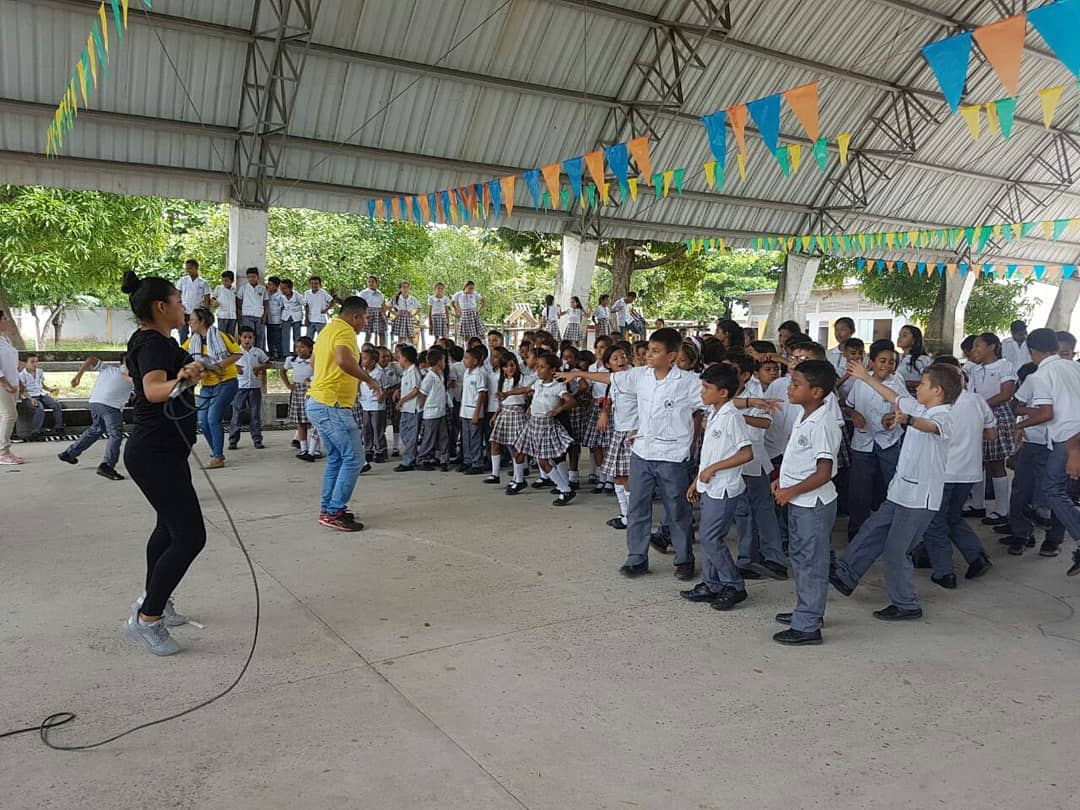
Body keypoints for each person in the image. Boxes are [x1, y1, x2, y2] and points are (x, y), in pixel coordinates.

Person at [560, 329, 715, 578]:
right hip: (642, 452)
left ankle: (684, 559)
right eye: (648, 351)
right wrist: (578, 373)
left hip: (672, 456)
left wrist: (747, 405)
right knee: (637, 506)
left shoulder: (688, 383)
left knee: (677, 510)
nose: (648, 356)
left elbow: (714, 402)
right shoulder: (640, 375)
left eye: (655, 351)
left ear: (672, 356)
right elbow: (611, 378)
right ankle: (636, 557)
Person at [831, 360, 961, 623]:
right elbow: (895, 396)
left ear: (937, 391)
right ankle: (846, 574)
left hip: (919, 498)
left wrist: (909, 419)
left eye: (923, 384)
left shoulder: (944, 415)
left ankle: (906, 603)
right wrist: (865, 378)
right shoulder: (921, 406)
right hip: (900, 491)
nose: (918, 388)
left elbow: (929, 427)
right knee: (872, 529)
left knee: (895, 549)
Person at [119, 270, 206, 656]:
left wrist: (192, 372)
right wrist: (180, 380)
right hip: (154, 452)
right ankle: (147, 618)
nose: (183, 306)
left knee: (169, 529)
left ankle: (156, 599)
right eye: (177, 300)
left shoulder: (155, 341)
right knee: (190, 536)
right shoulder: (153, 343)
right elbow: (153, 390)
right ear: (161, 307)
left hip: (163, 451)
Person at [769, 360, 841, 646]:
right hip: (801, 499)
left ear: (816, 391)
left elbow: (823, 472)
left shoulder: (822, 422)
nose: (790, 387)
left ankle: (808, 624)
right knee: (800, 558)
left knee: (811, 561)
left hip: (813, 503)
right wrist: (782, 482)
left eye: (797, 384)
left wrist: (790, 491)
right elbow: (800, 459)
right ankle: (807, 610)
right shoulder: (806, 414)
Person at [911, 356, 995, 586]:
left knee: (934, 523)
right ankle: (976, 556)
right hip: (969, 472)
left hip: (943, 472)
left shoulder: (934, 406)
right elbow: (991, 434)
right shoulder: (977, 400)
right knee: (952, 518)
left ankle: (944, 572)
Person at [680, 363, 755, 612]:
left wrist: (714, 469)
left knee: (711, 538)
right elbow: (709, 456)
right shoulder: (715, 413)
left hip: (724, 487)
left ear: (723, 392)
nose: (702, 391)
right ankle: (711, 584)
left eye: (706, 387)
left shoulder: (732, 416)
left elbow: (746, 454)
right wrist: (697, 481)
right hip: (710, 486)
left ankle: (733, 584)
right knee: (711, 536)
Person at [305, 296, 381, 531]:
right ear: (355, 316)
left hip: (320, 401)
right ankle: (335, 511)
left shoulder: (327, 331)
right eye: (366, 317)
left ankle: (329, 508)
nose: (366, 323)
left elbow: (314, 362)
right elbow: (342, 360)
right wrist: (369, 380)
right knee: (355, 458)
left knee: (338, 457)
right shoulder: (346, 331)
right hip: (332, 404)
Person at [1018, 328, 1080, 576]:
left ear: (1032, 351)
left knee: (1052, 490)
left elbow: (1046, 414)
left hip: (1068, 439)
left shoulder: (1040, 375)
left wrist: (1019, 425)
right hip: (1074, 436)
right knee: (1058, 491)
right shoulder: (1073, 367)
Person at [730, 355, 787, 580]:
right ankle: (747, 559)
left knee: (763, 511)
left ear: (744, 376)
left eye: (733, 371)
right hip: (730, 463)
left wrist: (741, 418)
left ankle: (774, 559)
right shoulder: (719, 395)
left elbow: (766, 422)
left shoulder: (754, 396)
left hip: (754, 461)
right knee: (743, 512)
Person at [844, 339, 907, 539]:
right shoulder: (860, 382)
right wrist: (854, 414)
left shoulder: (897, 383)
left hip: (888, 441)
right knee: (859, 487)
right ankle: (857, 527)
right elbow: (848, 405)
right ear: (871, 362)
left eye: (891, 362)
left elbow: (905, 408)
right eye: (882, 360)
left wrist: (893, 417)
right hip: (863, 441)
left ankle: (890, 527)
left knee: (891, 484)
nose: (887, 365)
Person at [1001, 361, 1063, 557]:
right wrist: (1030, 417)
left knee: (1054, 492)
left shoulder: (1062, 384)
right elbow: (1016, 408)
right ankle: (1021, 534)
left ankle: (1052, 540)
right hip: (1032, 442)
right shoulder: (1031, 383)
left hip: (1057, 444)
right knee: (1021, 489)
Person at [181, 307, 241, 469]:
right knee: (202, 421)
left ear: (202, 321)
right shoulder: (193, 340)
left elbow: (237, 353)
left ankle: (218, 456)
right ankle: (216, 451)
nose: (189, 322)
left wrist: (218, 365)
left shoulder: (220, 336)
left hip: (226, 381)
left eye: (192, 320)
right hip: (207, 385)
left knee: (213, 417)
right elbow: (180, 353)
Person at [58, 354, 134, 479]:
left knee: (97, 429)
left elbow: (91, 359)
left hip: (95, 402)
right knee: (115, 435)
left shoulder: (107, 368)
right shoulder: (131, 375)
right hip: (111, 406)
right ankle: (107, 466)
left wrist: (78, 376)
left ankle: (70, 453)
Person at [968, 332, 1017, 524]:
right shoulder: (975, 370)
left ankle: (1002, 509)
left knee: (996, 464)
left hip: (997, 416)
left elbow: (1006, 394)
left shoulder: (1004, 366)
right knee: (977, 461)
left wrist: (982, 406)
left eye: (978, 346)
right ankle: (978, 505)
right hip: (978, 416)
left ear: (992, 347)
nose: (974, 350)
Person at [516, 352, 577, 506]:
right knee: (523, 452)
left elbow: (570, 401)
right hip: (533, 424)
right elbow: (525, 390)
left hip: (546, 425)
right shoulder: (538, 383)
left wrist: (558, 410)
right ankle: (520, 480)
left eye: (542, 367)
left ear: (552, 370)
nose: (538, 370)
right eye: (537, 367)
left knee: (543, 461)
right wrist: (507, 393)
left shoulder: (558, 386)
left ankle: (565, 489)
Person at [596, 343, 636, 528]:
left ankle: (632, 516)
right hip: (619, 431)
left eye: (623, 356)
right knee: (618, 477)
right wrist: (604, 411)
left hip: (633, 432)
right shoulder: (614, 382)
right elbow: (609, 400)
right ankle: (625, 515)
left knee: (627, 477)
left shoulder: (635, 377)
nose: (621, 360)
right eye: (615, 358)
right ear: (608, 365)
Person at [488, 351, 533, 490]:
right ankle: (495, 474)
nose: (509, 369)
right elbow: (502, 401)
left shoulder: (523, 379)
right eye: (506, 366)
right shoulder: (502, 381)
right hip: (504, 413)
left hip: (517, 412)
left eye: (512, 365)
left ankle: (518, 478)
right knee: (495, 443)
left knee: (516, 447)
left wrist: (530, 407)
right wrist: (496, 415)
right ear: (502, 368)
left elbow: (530, 394)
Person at [228, 327, 269, 451]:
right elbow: (226, 364)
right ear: (239, 338)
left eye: (250, 337)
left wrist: (260, 367)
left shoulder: (258, 352)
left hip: (255, 387)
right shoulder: (235, 352)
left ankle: (257, 440)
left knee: (255, 414)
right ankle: (233, 440)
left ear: (253, 339)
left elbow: (268, 363)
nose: (247, 340)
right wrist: (235, 367)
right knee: (237, 413)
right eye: (245, 337)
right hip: (239, 387)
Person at [280, 337, 318, 461]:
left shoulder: (314, 360)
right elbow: (282, 371)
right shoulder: (292, 360)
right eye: (297, 347)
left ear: (310, 348)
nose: (299, 350)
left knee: (314, 421)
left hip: (311, 391)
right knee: (301, 421)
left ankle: (315, 448)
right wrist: (288, 385)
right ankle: (303, 448)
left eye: (303, 347)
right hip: (297, 390)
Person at [417, 347, 450, 471]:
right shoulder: (429, 377)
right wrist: (422, 406)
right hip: (431, 412)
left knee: (443, 436)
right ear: (438, 362)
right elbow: (423, 394)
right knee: (429, 437)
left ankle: (443, 459)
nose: (445, 363)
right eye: (443, 361)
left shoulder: (440, 375)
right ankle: (423, 459)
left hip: (440, 411)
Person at [459, 346, 489, 475]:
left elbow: (481, 394)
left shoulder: (480, 374)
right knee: (466, 438)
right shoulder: (467, 373)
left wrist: (477, 412)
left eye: (467, 358)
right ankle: (468, 461)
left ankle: (477, 463)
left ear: (475, 361)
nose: (464, 360)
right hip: (464, 410)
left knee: (475, 438)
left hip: (474, 411)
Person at [355, 347, 388, 463]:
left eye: (365, 359)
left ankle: (381, 451)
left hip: (376, 405)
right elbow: (358, 384)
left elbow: (385, 388)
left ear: (373, 362)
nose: (362, 361)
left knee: (377, 429)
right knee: (366, 428)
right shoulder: (361, 372)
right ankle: (368, 449)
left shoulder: (380, 373)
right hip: (365, 404)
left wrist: (381, 397)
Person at [19, 354, 65, 437]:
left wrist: (50, 390)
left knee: (56, 405)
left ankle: (59, 428)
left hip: (41, 394)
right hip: (29, 397)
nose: (35, 364)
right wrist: (31, 399)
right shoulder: (22, 375)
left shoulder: (39, 371)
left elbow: (41, 384)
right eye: (32, 362)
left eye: (36, 361)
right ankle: (35, 432)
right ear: (26, 363)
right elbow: (22, 391)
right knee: (39, 409)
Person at [0, 310, 23, 465]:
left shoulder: (5, 339)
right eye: (5, 318)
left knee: (5, 416)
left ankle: (5, 450)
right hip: (3, 384)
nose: (7, 321)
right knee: (10, 415)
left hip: (13, 382)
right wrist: (5, 383)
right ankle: (2, 452)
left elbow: (13, 362)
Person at [394, 344, 422, 472]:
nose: (398, 360)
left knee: (410, 435)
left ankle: (408, 461)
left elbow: (416, 390)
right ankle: (412, 455)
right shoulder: (406, 372)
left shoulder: (414, 371)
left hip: (412, 408)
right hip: (406, 408)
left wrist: (402, 400)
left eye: (399, 357)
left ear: (405, 358)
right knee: (404, 433)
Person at [177, 258, 210, 343]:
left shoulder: (203, 283)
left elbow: (207, 299)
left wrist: (205, 313)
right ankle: (183, 353)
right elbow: (177, 295)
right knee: (182, 334)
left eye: (190, 268)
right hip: (184, 312)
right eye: (187, 268)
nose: (188, 270)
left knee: (196, 335)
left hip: (197, 313)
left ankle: (194, 353)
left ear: (196, 268)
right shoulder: (182, 280)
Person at [237, 267, 269, 351]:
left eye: (254, 276)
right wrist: (240, 314)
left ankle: (259, 354)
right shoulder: (243, 288)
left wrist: (265, 316)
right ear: (247, 278)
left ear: (258, 277)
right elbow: (239, 302)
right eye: (249, 277)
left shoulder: (262, 288)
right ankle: (248, 352)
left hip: (259, 315)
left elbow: (266, 303)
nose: (251, 278)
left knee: (260, 335)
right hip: (247, 315)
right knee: (248, 336)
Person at [896, 324, 931, 394]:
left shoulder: (922, 359)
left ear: (914, 340)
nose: (899, 338)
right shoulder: (897, 357)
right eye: (899, 335)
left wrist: (906, 383)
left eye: (904, 335)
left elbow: (930, 382)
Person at [278, 278, 305, 357]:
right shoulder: (281, 297)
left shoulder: (297, 295)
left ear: (290, 288)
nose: (282, 290)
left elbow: (304, 304)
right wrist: (280, 320)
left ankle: (296, 352)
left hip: (296, 317)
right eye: (281, 288)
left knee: (297, 336)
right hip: (286, 317)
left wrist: (305, 317)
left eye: (284, 288)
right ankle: (286, 353)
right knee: (285, 335)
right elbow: (281, 306)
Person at [358, 276, 387, 346]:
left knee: (381, 332)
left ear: (376, 283)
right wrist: (366, 314)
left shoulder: (379, 293)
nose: (371, 283)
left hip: (379, 313)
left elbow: (382, 304)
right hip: (369, 312)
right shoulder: (364, 293)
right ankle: (366, 347)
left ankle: (382, 347)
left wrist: (384, 315)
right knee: (368, 332)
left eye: (373, 281)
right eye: (369, 282)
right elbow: (360, 303)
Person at [389, 281, 420, 345]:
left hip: (409, 318)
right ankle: (400, 352)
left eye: (407, 287)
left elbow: (419, 307)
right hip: (400, 318)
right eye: (403, 287)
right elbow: (389, 307)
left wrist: (412, 315)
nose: (405, 289)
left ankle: (411, 351)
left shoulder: (412, 298)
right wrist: (396, 313)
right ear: (400, 289)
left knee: (411, 337)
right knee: (401, 337)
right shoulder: (396, 298)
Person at [211, 270, 238, 337]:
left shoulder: (235, 290)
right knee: (221, 335)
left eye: (226, 280)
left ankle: (229, 348)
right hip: (222, 315)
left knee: (230, 336)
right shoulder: (219, 288)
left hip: (232, 316)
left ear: (232, 281)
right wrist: (214, 302)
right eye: (223, 280)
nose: (224, 282)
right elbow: (213, 298)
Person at [265, 276, 284, 361]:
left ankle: (279, 354)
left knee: (277, 339)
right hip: (269, 320)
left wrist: (282, 320)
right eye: (268, 284)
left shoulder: (281, 295)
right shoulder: (267, 293)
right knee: (270, 338)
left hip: (277, 320)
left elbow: (283, 308)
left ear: (277, 286)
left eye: (271, 285)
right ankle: (271, 354)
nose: (269, 286)